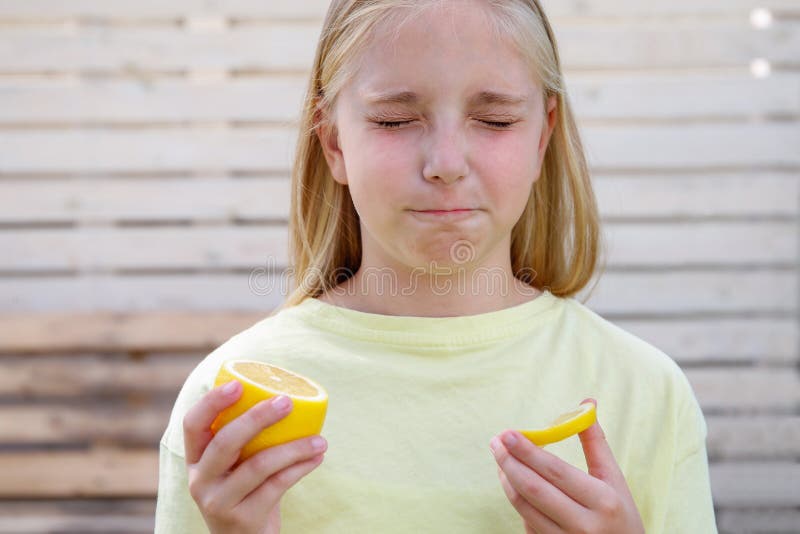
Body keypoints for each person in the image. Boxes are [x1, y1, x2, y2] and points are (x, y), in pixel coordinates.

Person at [154, 0, 718, 532]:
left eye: (495, 120)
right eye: (396, 120)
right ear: (332, 142)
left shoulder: (647, 392)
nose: (446, 164)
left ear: (542, 135)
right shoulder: (230, 408)